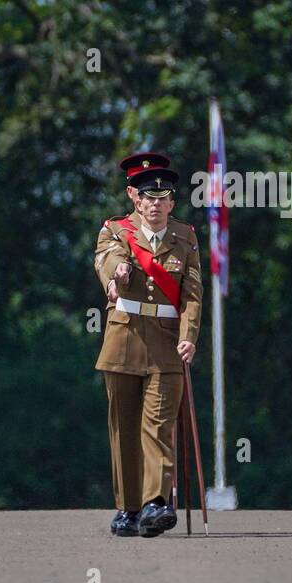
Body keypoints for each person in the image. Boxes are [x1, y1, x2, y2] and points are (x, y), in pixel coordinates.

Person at [93, 154, 203, 537]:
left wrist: (189, 336)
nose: (155, 204)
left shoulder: (185, 237)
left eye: (164, 197)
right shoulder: (115, 231)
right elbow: (107, 260)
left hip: (167, 344)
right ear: (134, 198)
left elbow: (192, 294)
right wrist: (116, 275)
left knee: (156, 426)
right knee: (123, 428)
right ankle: (129, 507)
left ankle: (157, 503)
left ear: (172, 202)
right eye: (148, 197)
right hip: (123, 338)